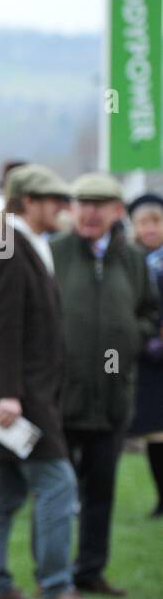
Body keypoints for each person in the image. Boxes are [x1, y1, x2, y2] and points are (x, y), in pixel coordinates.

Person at [0, 164, 104, 599]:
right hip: (21, 399)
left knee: (5, 491)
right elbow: (0, 329)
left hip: (23, 395)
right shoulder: (10, 248)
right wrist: (7, 393)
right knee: (59, 484)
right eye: (54, 200)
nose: (64, 208)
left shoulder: (26, 244)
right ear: (27, 201)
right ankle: (57, 589)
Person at [50, 173, 158, 597]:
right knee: (56, 493)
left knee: (101, 491)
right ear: (72, 209)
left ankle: (90, 571)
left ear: (117, 211)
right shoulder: (54, 254)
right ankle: (54, 577)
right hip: (61, 397)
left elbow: (150, 313)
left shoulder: (132, 259)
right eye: (83, 203)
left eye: (100, 204)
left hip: (113, 399)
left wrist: (131, 335)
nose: (90, 212)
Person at [127, 192, 163, 517]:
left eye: (156, 222)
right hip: (149, 360)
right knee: (155, 432)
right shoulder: (132, 261)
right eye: (142, 223)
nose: (149, 229)